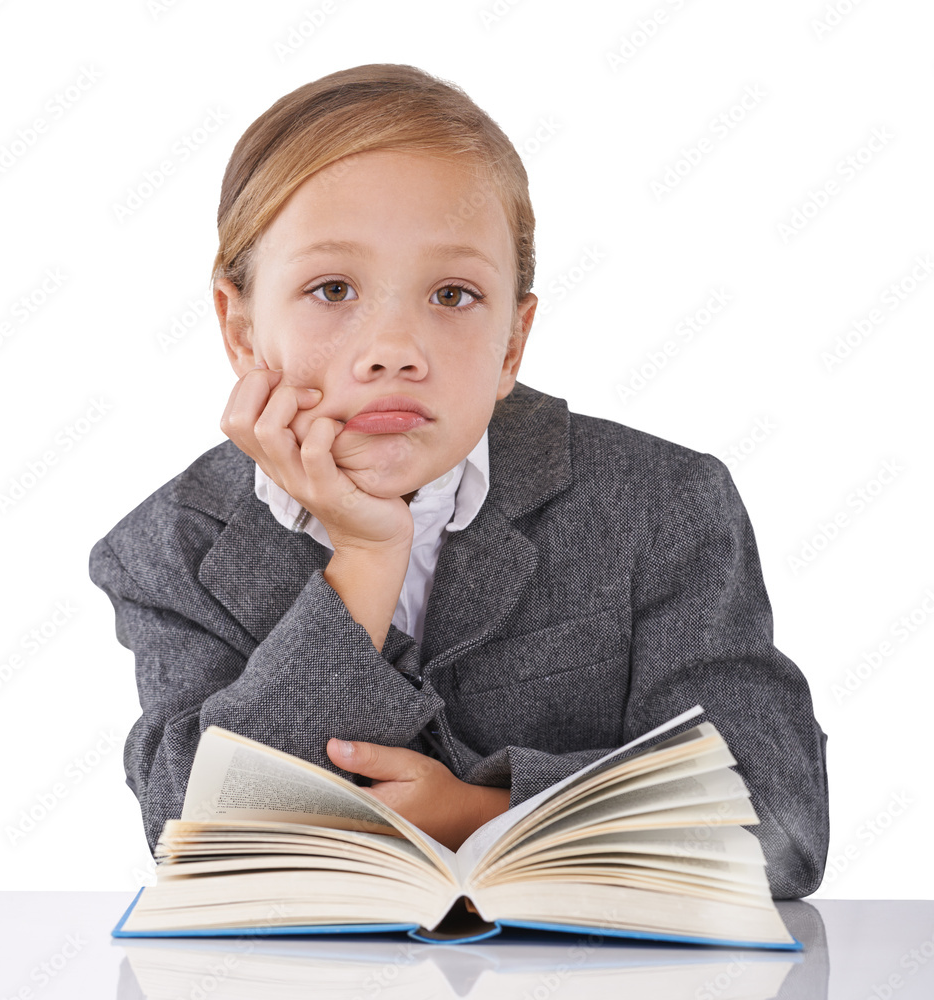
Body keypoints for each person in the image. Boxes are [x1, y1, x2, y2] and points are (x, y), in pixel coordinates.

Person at [89, 63, 828, 896]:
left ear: (512, 343)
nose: (394, 349)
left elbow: (781, 825)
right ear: (241, 330)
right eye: (332, 289)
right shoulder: (168, 550)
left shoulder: (663, 503)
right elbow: (198, 836)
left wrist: (480, 813)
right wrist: (366, 560)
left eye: (451, 293)